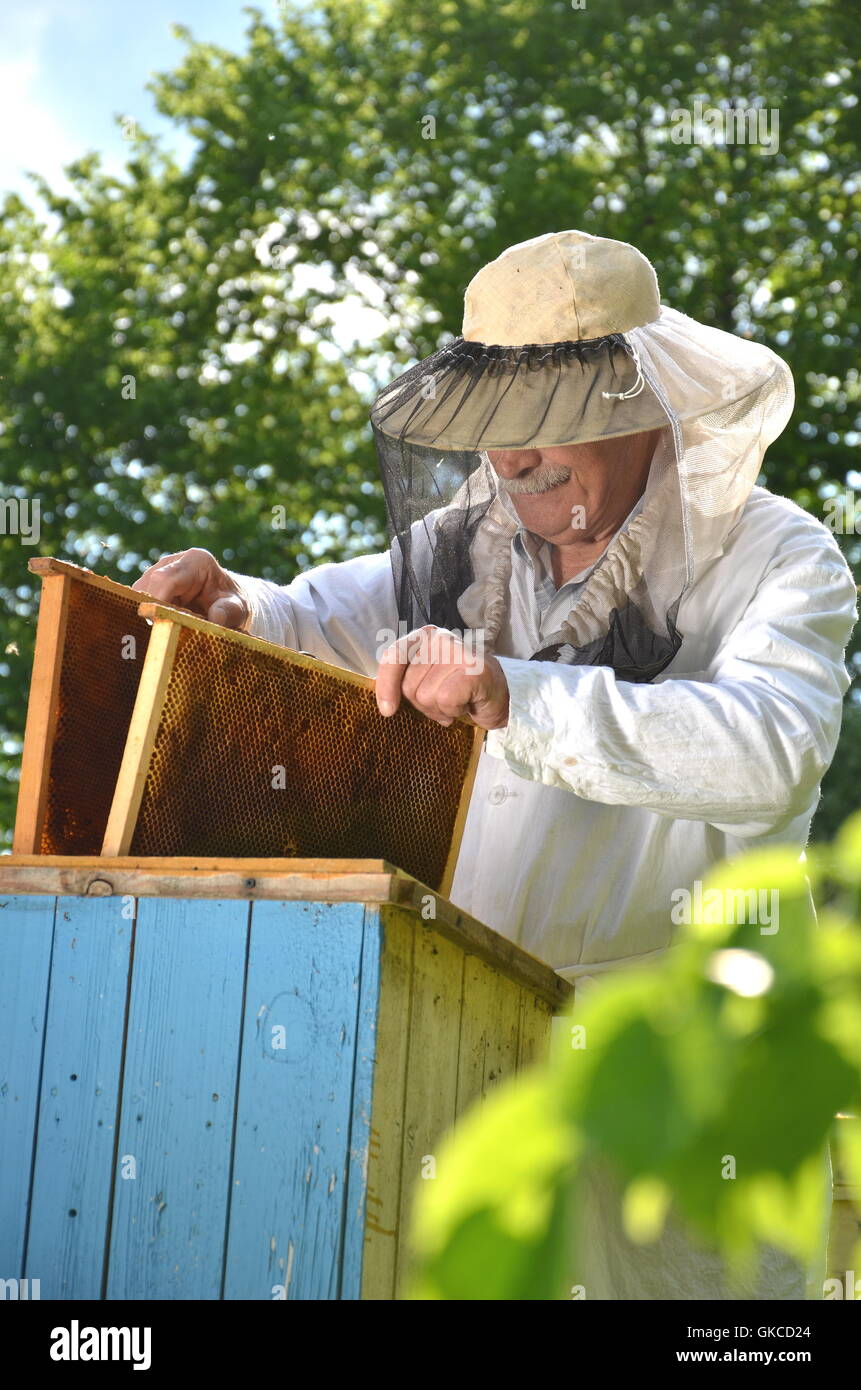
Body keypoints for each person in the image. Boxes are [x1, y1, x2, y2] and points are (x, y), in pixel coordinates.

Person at [135, 230, 857, 1298]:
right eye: (497, 421)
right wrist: (239, 605)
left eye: (548, 420)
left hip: (680, 1100)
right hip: (466, 1070)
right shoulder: (460, 541)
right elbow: (314, 619)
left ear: (641, 395)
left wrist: (517, 694)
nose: (513, 457)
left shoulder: (778, 554)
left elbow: (772, 747)